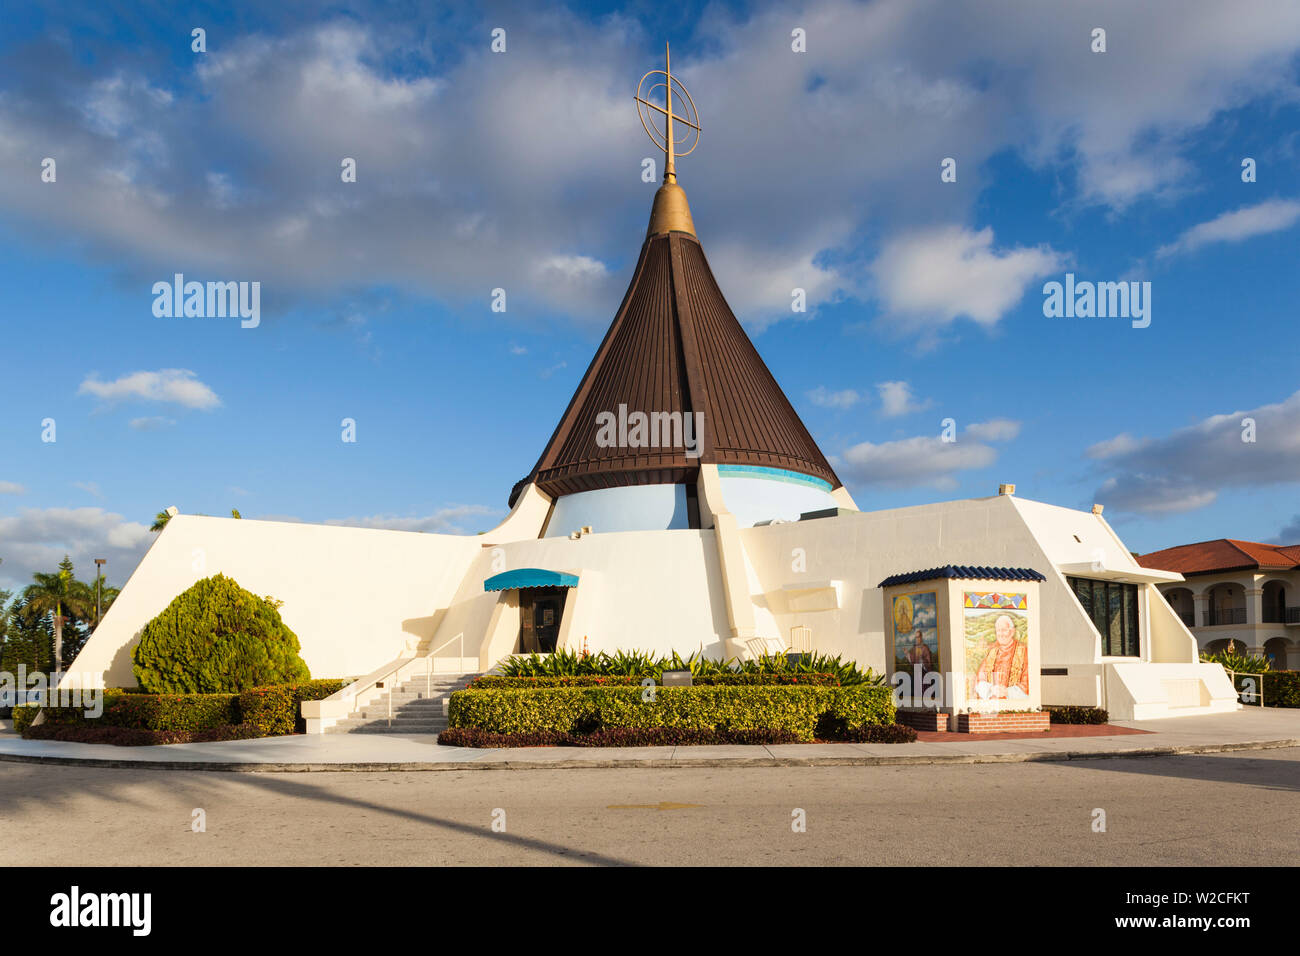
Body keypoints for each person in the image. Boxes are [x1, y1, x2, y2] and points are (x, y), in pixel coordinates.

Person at [974, 614, 1028, 699]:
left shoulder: (1024, 651)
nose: (1001, 634)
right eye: (998, 630)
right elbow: (980, 679)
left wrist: (1007, 692)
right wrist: (991, 689)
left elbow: (1028, 683)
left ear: (1012, 631)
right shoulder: (992, 652)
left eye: (1004, 630)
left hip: (1014, 704)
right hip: (992, 704)